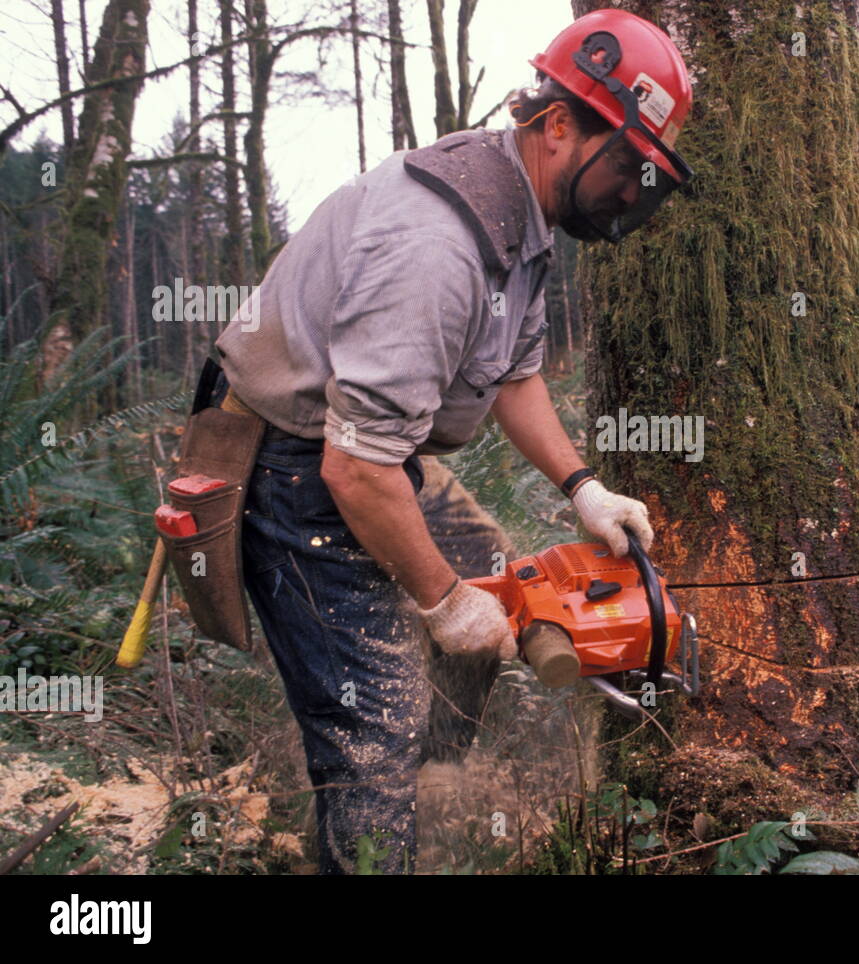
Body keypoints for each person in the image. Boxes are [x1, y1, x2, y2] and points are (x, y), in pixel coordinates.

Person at [208, 8, 695, 873]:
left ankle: (430, 782)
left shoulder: (523, 213)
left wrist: (582, 486)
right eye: (622, 162)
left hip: (370, 452)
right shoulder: (437, 244)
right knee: (375, 715)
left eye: (642, 174)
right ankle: (373, 805)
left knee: (507, 586)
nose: (629, 191)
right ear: (556, 126)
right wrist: (439, 600)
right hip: (291, 461)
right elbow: (353, 469)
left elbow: (514, 376)